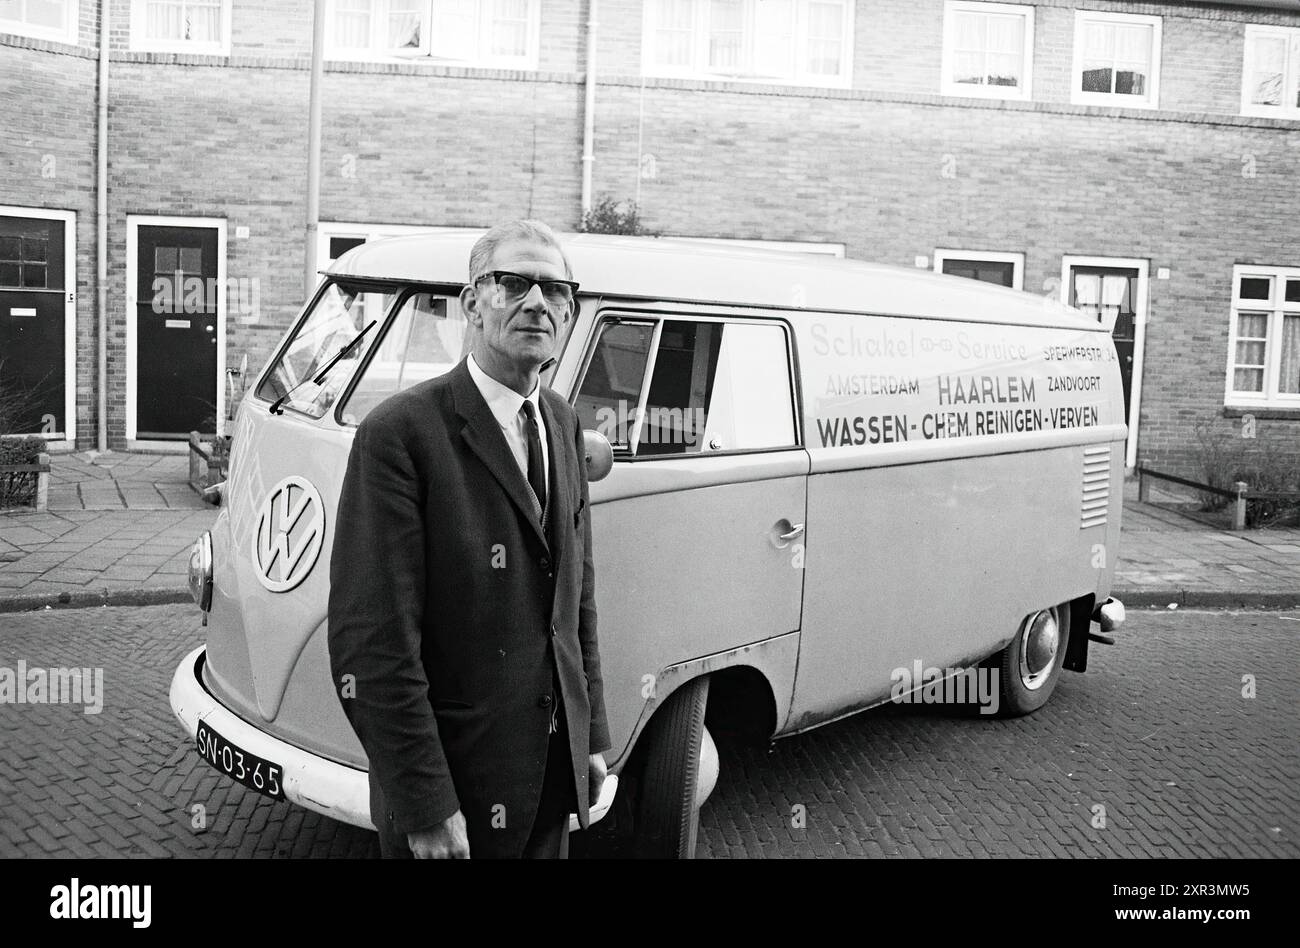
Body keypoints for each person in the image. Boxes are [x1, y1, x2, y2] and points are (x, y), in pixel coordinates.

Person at [327, 219, 610, 859]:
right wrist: (425, 803)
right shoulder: (400, 435)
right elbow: (370, 642)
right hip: (456, 795)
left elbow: (576, 599)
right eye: (513, 283)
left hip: (548, 779)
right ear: (471, 305)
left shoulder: (563, 420)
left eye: (555, 290)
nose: (537, 302)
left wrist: (589, 734)